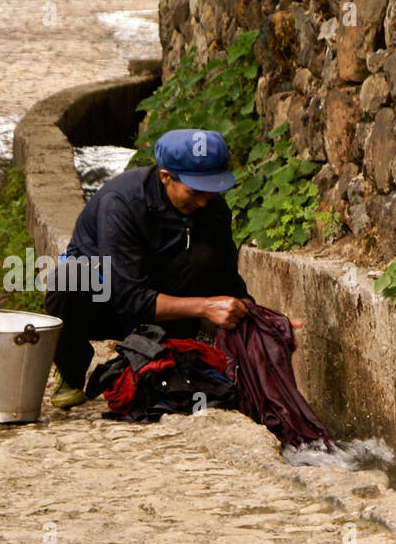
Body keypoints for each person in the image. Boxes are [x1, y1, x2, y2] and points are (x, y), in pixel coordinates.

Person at [45, 128, 258, 409]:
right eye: (195, 192)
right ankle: (70, 372)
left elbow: (226, 277)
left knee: (203, 257)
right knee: (68, 280)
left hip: (162, 296)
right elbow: (128, 298)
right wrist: (205, 307)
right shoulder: (121, 204)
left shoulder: (211, 207)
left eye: (212, 190)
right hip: (107, 299)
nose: (204, 201)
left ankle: (173, 356)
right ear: (165, 177)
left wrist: (262, 321)